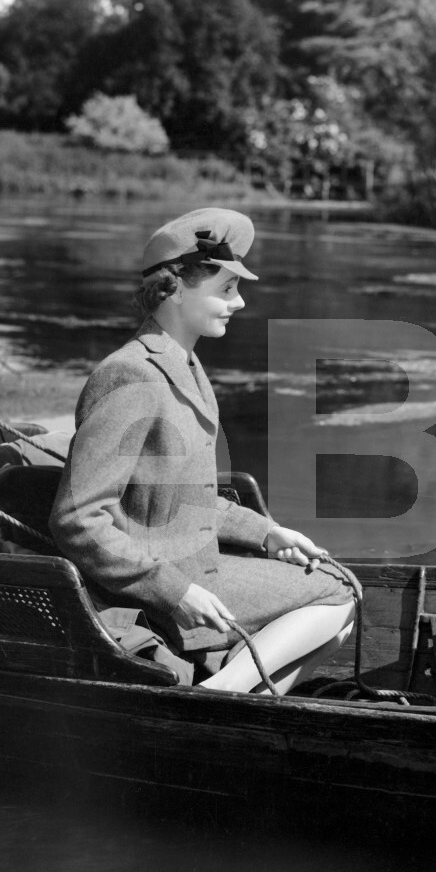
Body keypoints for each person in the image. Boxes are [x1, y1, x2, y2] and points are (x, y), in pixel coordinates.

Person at [50, 208, 356, 694]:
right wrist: (174, 592)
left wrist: (268, 534)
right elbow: (78, 517)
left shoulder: (185, 365)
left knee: (340, 615)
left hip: (192, 560)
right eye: (227, 289)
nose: (239, 303)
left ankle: (237, 701)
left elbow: (185, 497)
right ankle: (217, 698)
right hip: (160, 581)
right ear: (174, 289)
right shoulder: (130, 375)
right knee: (339, 595)